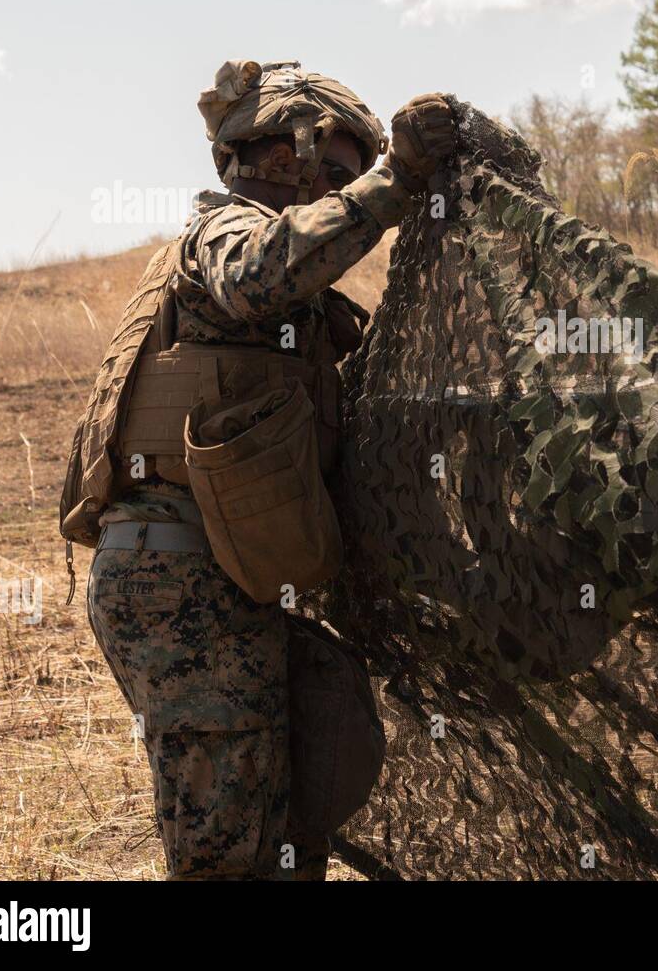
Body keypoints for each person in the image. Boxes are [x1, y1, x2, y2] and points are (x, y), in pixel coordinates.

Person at [60, 60, 455, 879]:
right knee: (229, 859)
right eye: (338, 175)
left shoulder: (296, 310)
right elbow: (261, 276)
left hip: (223, 579)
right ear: (285, 158)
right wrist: (393, 185)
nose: (343, 192)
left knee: (282, 834)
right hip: (183, 580)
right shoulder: (225, 236)